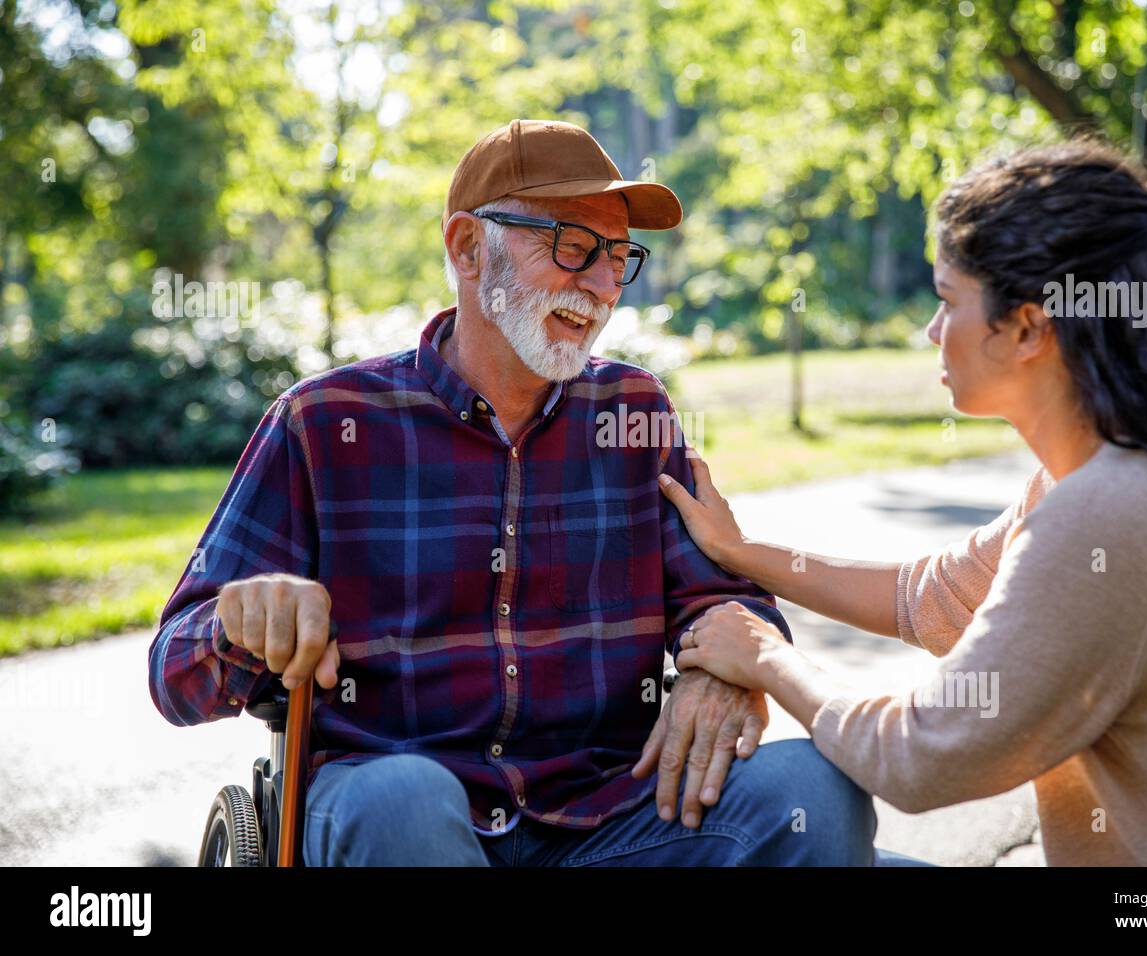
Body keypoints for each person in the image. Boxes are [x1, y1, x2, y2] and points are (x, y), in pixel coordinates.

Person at [148, 119, 874, 866]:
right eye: (572, 246)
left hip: (610, 819)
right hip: (404, 817)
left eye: (620, 258)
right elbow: (173, 675)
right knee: (404, 802)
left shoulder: (634, 410)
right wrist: (240, 622)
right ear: (467, 247)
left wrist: (713, 669)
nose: (600, 285)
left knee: (816, 789)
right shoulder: (322, 420)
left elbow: (727, 597)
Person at [658, 139, 1147, 866]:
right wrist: (746, 557)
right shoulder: (1116, 474)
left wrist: (767, 658)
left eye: (947, 300)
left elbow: (921, 758)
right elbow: (929, 599)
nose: (932, 331)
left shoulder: (1117, 510)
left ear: (1028, 327)